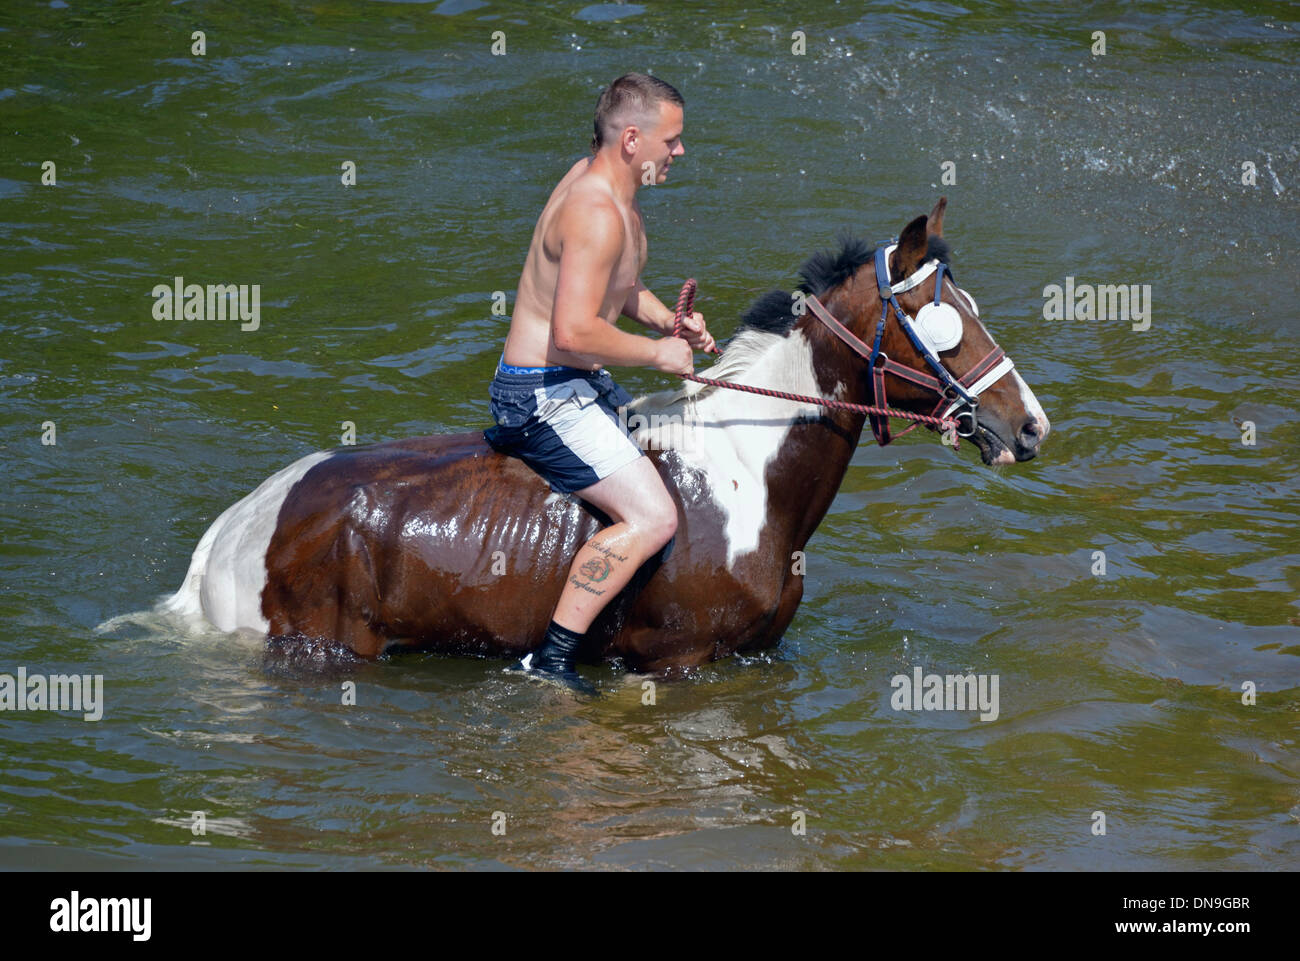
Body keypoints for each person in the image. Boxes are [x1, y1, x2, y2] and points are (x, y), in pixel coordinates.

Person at [483, 72, 715, 694]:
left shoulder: (610, 189)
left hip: (576, 383)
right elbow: (573, 332)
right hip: (542, 393)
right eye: (673, 140)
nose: (680, 152)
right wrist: (658, 354)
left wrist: (670, 321)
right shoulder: (594, 211)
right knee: (654, 517)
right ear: (633, 139)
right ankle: (548, 661)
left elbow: (619, 288)